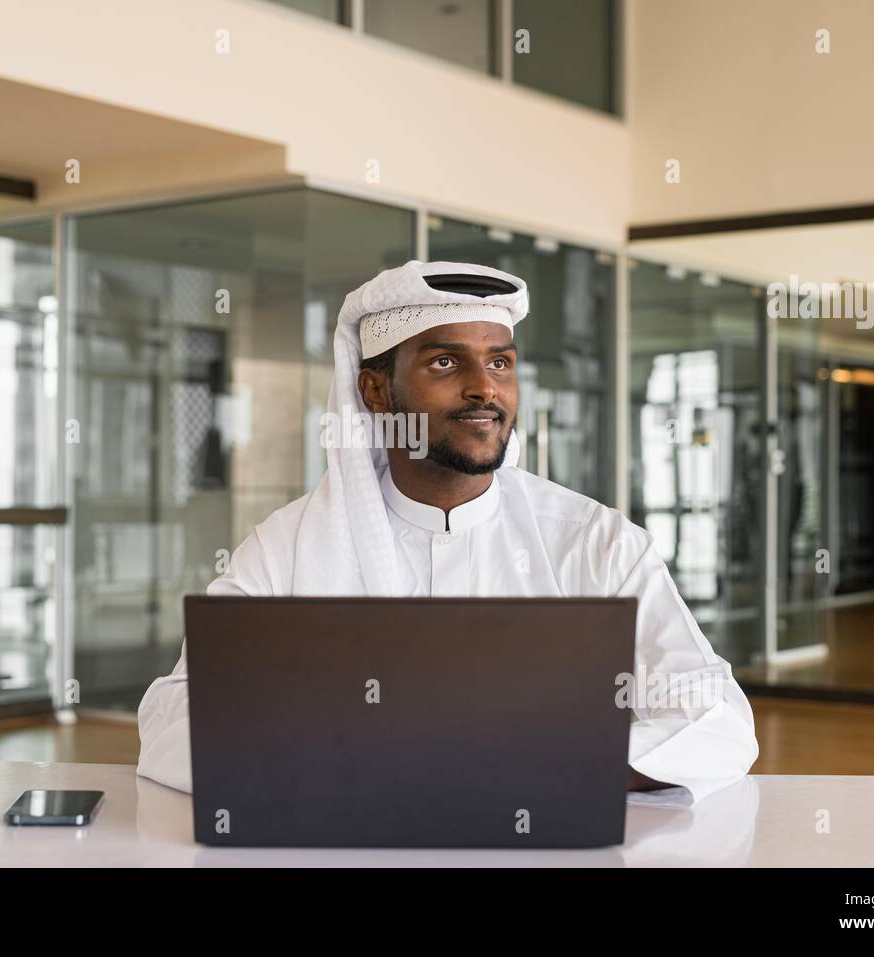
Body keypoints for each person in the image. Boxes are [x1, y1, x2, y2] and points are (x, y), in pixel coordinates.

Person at [137, 259, 758, 806]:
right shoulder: (290, 545)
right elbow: (174, 714)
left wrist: (554, 765)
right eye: (444, 361)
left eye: (499, 363)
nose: (485, 387)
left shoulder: (595, 541)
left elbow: (717, 715)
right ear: (376, 390)